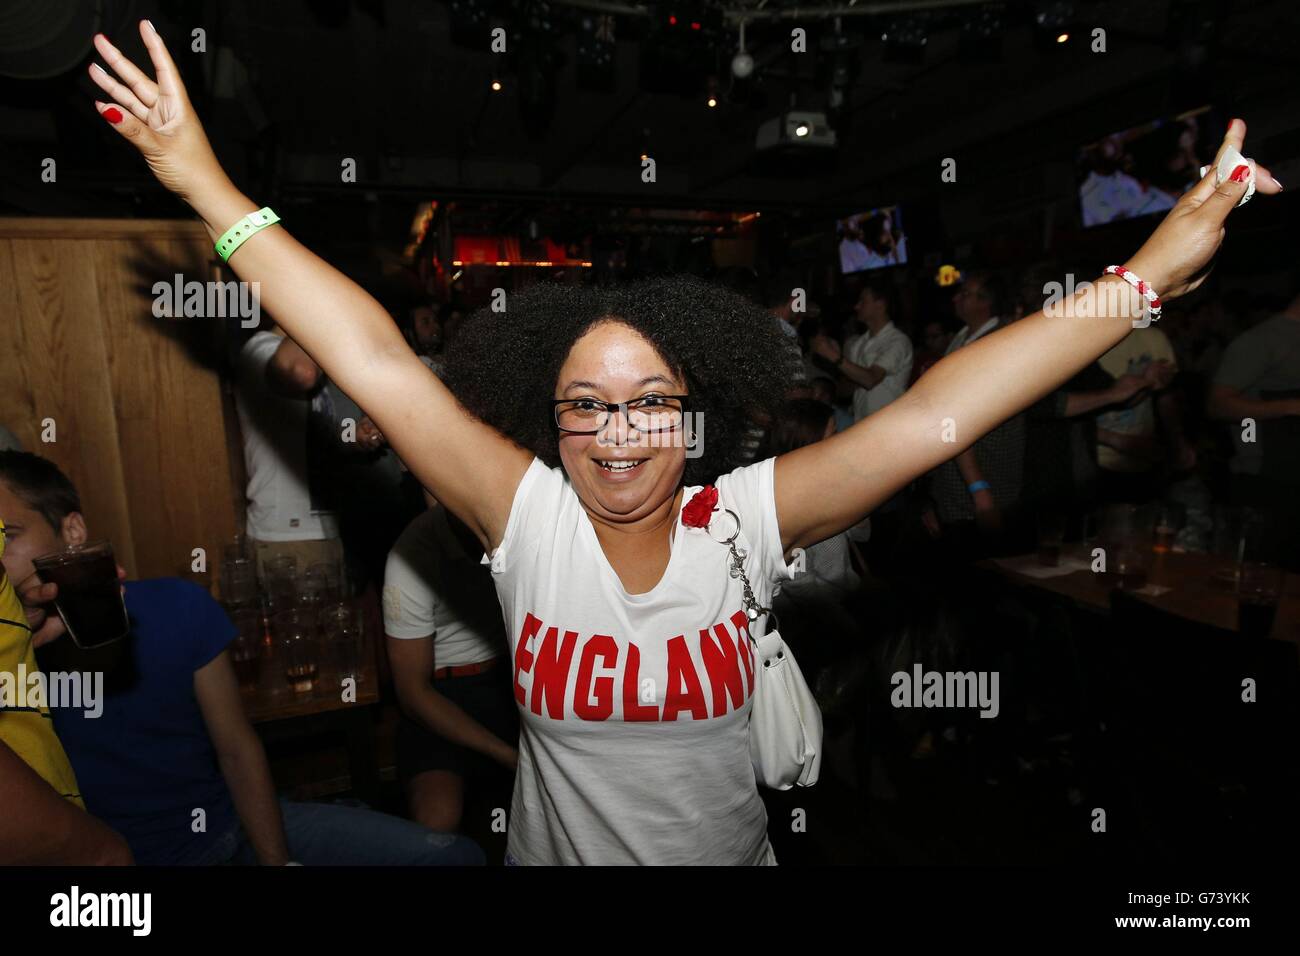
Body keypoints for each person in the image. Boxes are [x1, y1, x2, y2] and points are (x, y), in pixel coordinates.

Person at [87, 20, 1272, 862]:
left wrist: (1145, 275)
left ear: (689, 416)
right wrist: (203, 180)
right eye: (586, 403)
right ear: (553, 422)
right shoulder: (527, 517)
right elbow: (379, 361)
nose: (616, 429)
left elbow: (935, 411)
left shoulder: (743, 521)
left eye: (647, 398)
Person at [1, 451, 485, 866]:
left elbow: (237, 747)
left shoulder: (178, 606)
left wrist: (276, 861)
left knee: (450, 854)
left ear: (73, 530)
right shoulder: (9, 658)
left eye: (8, 536)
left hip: (233, 828)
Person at [384, 505, 519, 832]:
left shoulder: (519, 527)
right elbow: (413, 693)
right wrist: (505, 754)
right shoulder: (412, 554)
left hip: (509, 680)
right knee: (438, 820)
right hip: (441, 695)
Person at [233, 325, 345, 585]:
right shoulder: (262, 348)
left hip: (317, 531)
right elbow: (302, 373)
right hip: (286, 536)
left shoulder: (310, 357)